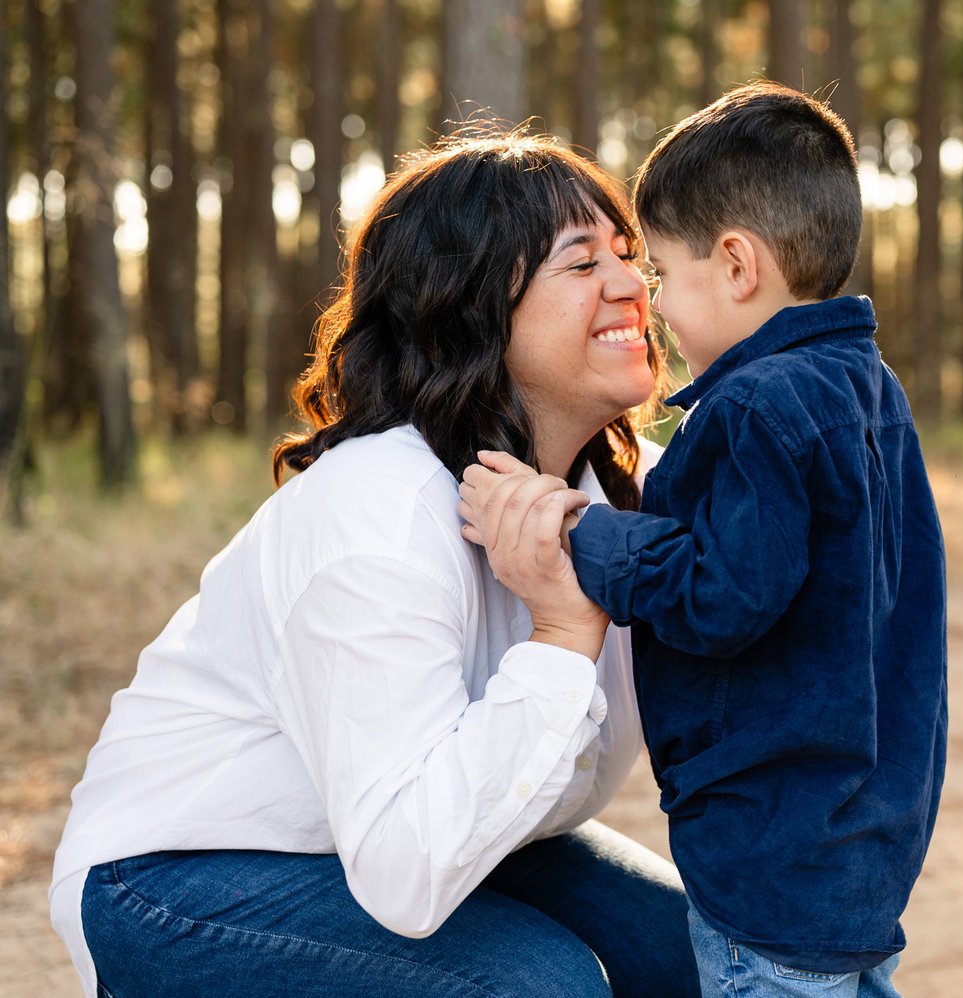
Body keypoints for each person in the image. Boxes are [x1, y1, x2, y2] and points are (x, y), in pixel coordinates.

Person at [48, 132, 699, 998]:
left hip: (444, 838)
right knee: (539, 988)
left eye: (630, 257)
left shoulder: (633, 492)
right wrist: (564, 629)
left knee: (702, 953)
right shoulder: (379, 513)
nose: (631, 285)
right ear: (470, 306)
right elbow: (409, 871)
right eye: (582, 265)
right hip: (181, 871)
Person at [460, 83, 948, 998]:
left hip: (775, 840)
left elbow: (721, 592)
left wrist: (583, 529)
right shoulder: (869, 388)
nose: (653, 307)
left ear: (735, 266)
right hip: (861, 832)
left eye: (663, 276)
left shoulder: (756, 406)